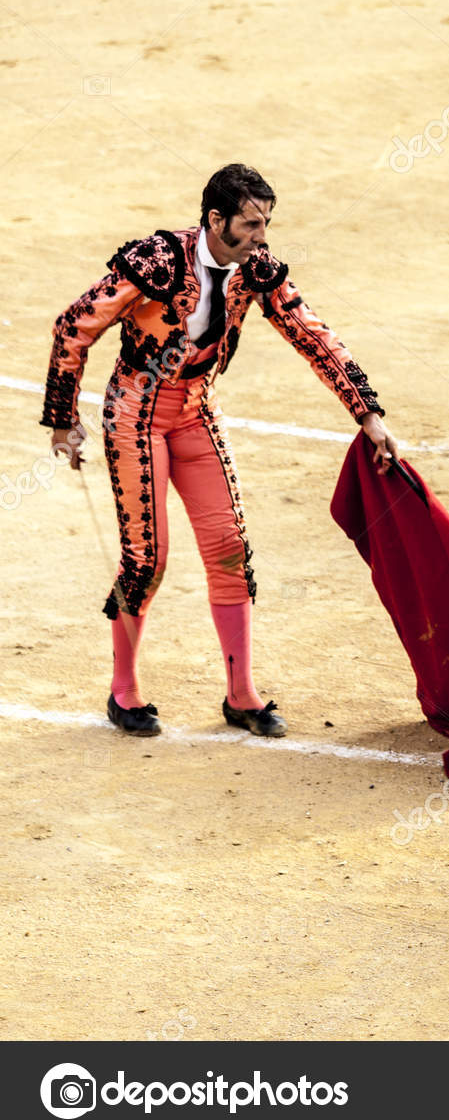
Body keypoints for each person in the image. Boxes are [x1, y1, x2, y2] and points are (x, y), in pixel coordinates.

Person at [42, 164, 401, 738]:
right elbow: (73, 325)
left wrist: (368, 413)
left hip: (195, 411)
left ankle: (241, 695)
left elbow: (313, 335)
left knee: (230, 548)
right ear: (216, 219)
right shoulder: (157, 261)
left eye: (266, 223)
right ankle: (124, 691)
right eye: (251, 224)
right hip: (134, 413)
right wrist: (63, 419)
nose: (262, 235)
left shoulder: (256, 268)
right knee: (147, 558)